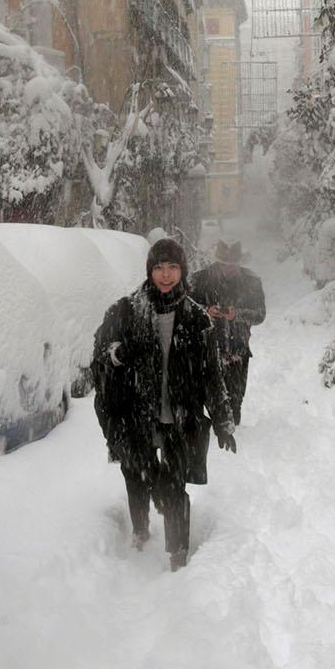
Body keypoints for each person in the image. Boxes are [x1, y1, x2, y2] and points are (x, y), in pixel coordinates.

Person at [91, 237, 235, 571]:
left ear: (182, 270)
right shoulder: (127, 310)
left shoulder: (198, 319)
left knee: (174, 485)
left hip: (180, 416)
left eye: (172, 267)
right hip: (136, 414)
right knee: (136, 475)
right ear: (149, 270)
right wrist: (119, 354)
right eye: (159, 267)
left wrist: (223, 418)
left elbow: (212, 374)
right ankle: (140, 531)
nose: (166, 275)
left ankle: (178, 554)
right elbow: (99, 353)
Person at [191, 240, 266, 427]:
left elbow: (260, 314)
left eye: (233, 264)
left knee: (235, 402)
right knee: (209, 400)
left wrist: (237, 314)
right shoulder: (199, 280)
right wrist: (205, 312)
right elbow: (186, 309)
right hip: (207, 351)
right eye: (224, 264)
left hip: (238, 351)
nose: (228, 269)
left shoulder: (251, 282)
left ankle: (236, 442)